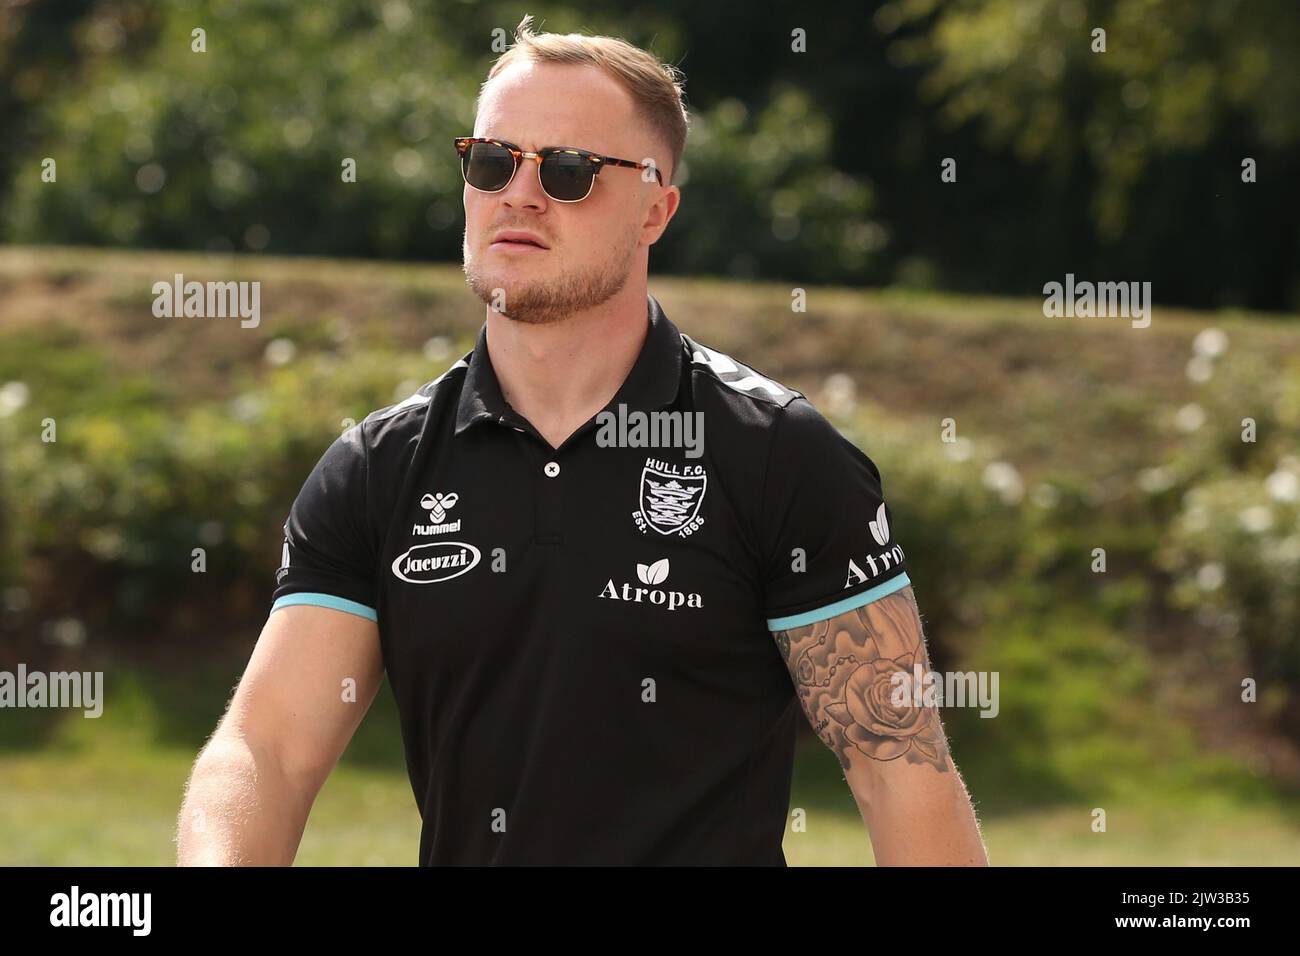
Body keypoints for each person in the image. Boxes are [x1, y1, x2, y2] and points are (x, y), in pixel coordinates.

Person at [177, 15, 987, 866]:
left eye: (569, 171)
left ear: (655, 210)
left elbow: (900, 771)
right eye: (493, 162)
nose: (519, 194)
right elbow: (266, 748)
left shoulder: (781, 455)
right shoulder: (378, 470)